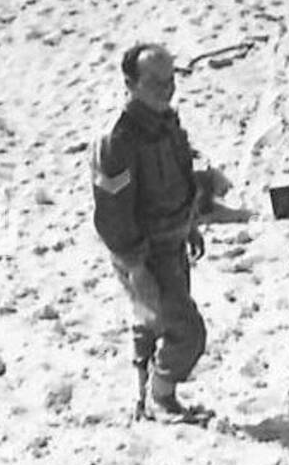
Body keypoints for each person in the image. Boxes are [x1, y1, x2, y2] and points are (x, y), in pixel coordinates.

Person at [91, 43, 212, 420]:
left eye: (171, 79)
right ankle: (163, 399)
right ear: (130, 84)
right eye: (155, 82)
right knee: (187, 333)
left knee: (152, 322)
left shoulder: (166, 122)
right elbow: (113, 214)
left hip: (173, 243)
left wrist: (189, 223)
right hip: (145, 253)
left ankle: (144, 396)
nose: (167, 89)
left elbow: (179, 176)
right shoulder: (118, 141)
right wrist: (136, 268)